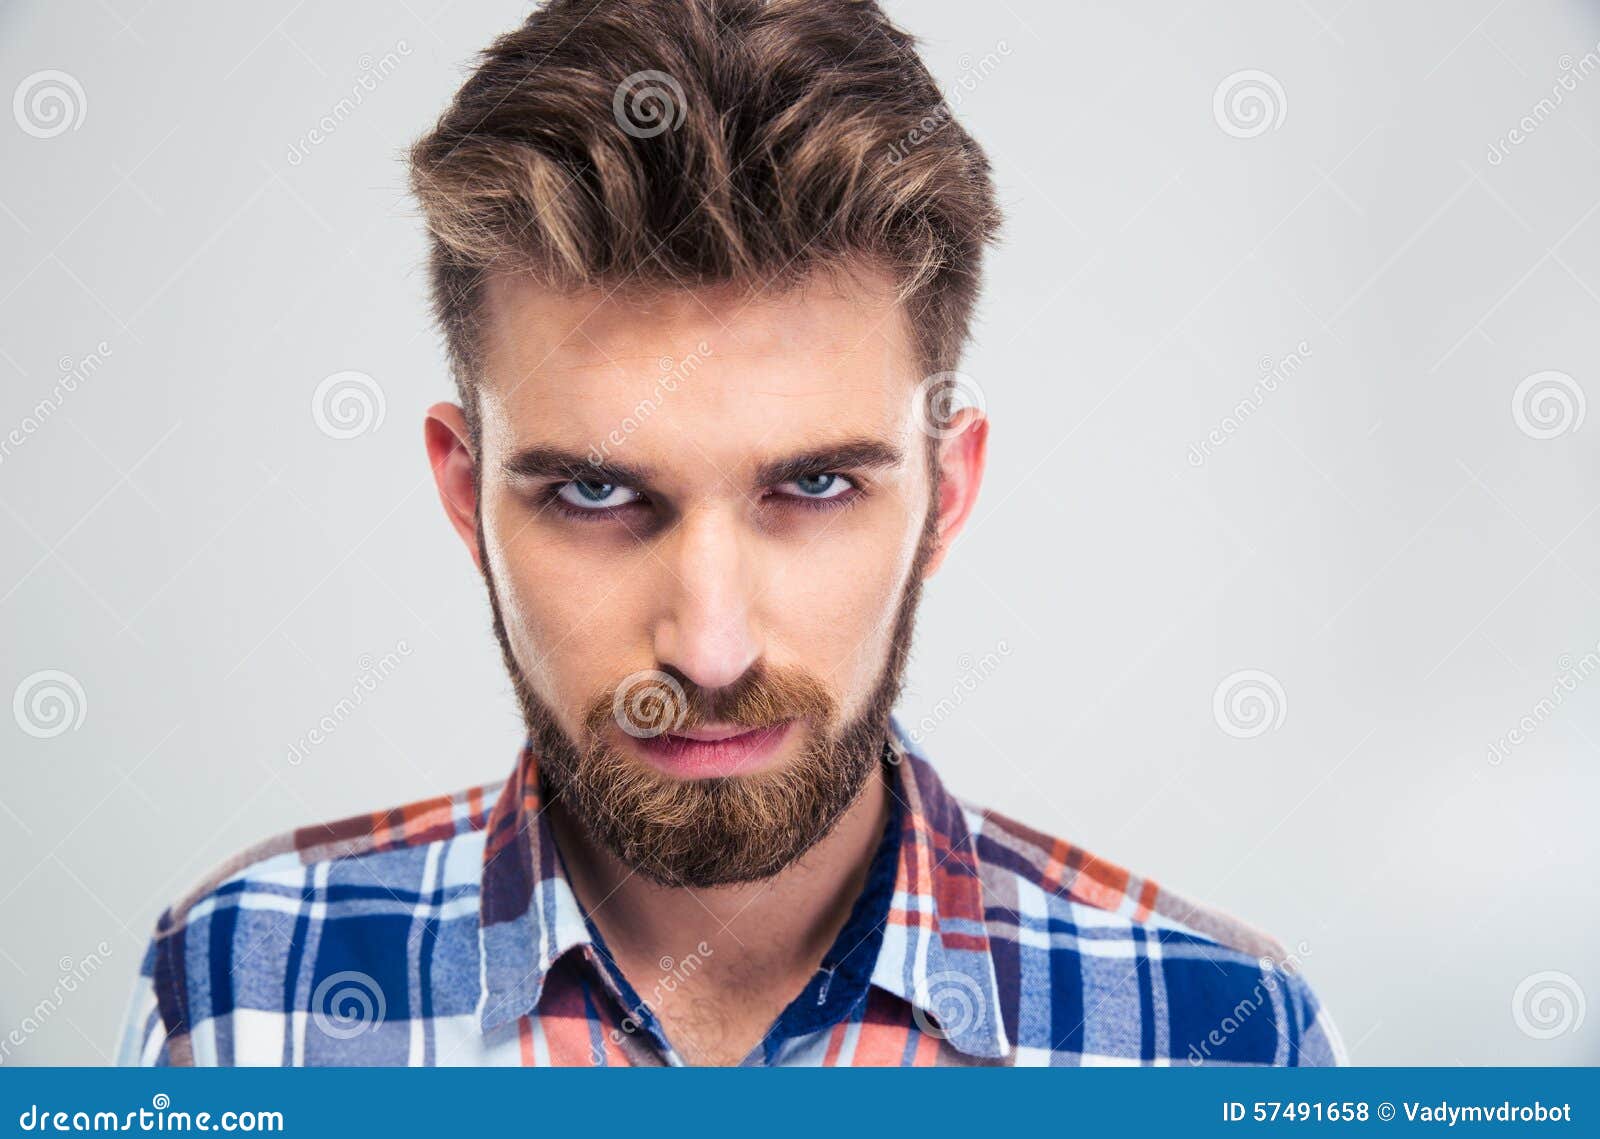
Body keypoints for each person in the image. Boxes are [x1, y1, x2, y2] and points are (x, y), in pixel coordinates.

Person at [118, 0, 1342, 1067]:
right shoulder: (236, 998)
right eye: (596, 494)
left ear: (946, 491)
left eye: (811, 487)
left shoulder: (1217, 1036)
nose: (707, 649)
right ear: (462, 490)